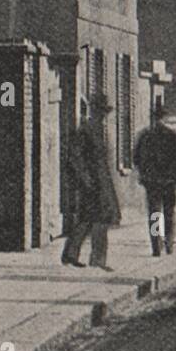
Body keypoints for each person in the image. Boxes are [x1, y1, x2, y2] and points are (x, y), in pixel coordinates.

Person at [60, 94, 121, 271]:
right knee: (96, 220)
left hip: (101, 182)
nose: (102, 116)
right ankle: (95, 259)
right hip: (92, 183)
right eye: (100, 112)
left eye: (104, 113)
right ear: (93, 111)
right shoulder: (85, 130)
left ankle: (72, 255)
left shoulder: (97, 130)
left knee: (90, 220)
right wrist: (85, 179)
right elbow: (75, 158)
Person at [133, 103, 176, 256]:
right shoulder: (173, 135)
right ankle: (169, 243)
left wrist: (144, 174)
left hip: (151, 182)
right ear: (165, 117)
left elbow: (136, 158)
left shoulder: (144, 135)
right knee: (169, 213)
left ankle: (156, 246)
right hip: (169, 182)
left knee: (155, 214)